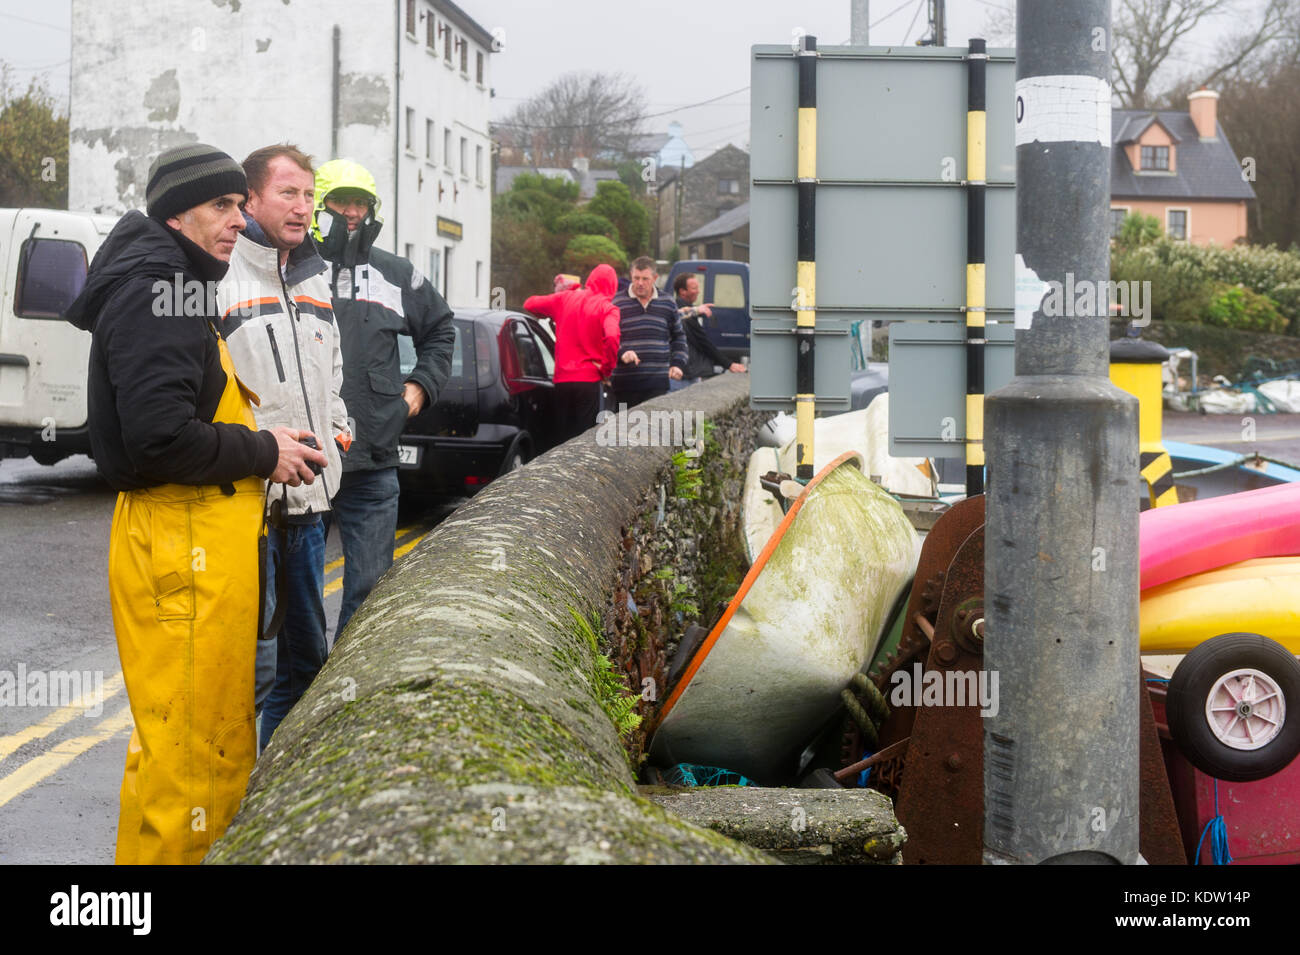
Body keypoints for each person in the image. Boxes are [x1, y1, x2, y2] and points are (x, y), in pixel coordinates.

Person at [64, 143, 327, 864]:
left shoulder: (168, 282)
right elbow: (158, 438)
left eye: (241, 205)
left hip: (185, 544)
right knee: (192, 766)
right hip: (184, 550)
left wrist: (268, 442)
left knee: (179, 750)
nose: (238, 221)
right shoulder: (159, 292)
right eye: (222, 205)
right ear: (175, 214)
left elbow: (173, 420)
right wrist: (264, 453)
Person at [218, 144, 351, 752]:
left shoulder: (316, 275)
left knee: (308, 667)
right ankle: (230, 810)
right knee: (253, 675)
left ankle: (269, 801)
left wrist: (337, 436)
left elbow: (334, 376)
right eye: (287, 193)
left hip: (311, 508)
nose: (302, 208)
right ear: (251, 199)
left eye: (308, 195)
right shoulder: (220, 279)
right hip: (252, 508)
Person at [312, 159, 456, 639]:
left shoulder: (396, 272)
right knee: (298, 596)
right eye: (340, 201)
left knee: (370, 588)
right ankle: (300, 700)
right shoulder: (292, 266)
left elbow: (440, 328)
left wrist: (419, 388)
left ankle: (343, 693)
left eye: (361, 203)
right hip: (302, 458)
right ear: (319, 207)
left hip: (373, 457)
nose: (352, 212)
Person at [522, 263, 621, 441]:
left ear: (590, 280)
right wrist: (606, 370)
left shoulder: (564, 299)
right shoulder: (608, 308)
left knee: (561, 436)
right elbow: (612, 337)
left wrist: (550, 313)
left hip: (562, 379)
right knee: (584, 438)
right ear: (613, 286)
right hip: (589, 380)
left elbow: (529, 304)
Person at [611, 256, 688, 407]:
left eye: (645, 279)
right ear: (631, 276)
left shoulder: (668, 302)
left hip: (657, 383)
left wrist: (678, 363)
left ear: (655, 278)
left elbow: (679, 337)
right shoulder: (616, 302)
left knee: (654, 429)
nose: (640, 283)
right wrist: (621, 353)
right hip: (624, 383)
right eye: (636, 278)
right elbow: (607, 338)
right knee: (624, 430)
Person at [671, 272, 747, 390]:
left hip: (685, 374)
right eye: (694, 288)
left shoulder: (678, 307)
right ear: (682, 291)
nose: (698, 291)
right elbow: (704, 342)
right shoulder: (684, 315)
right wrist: (729, 364)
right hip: (684, 376)